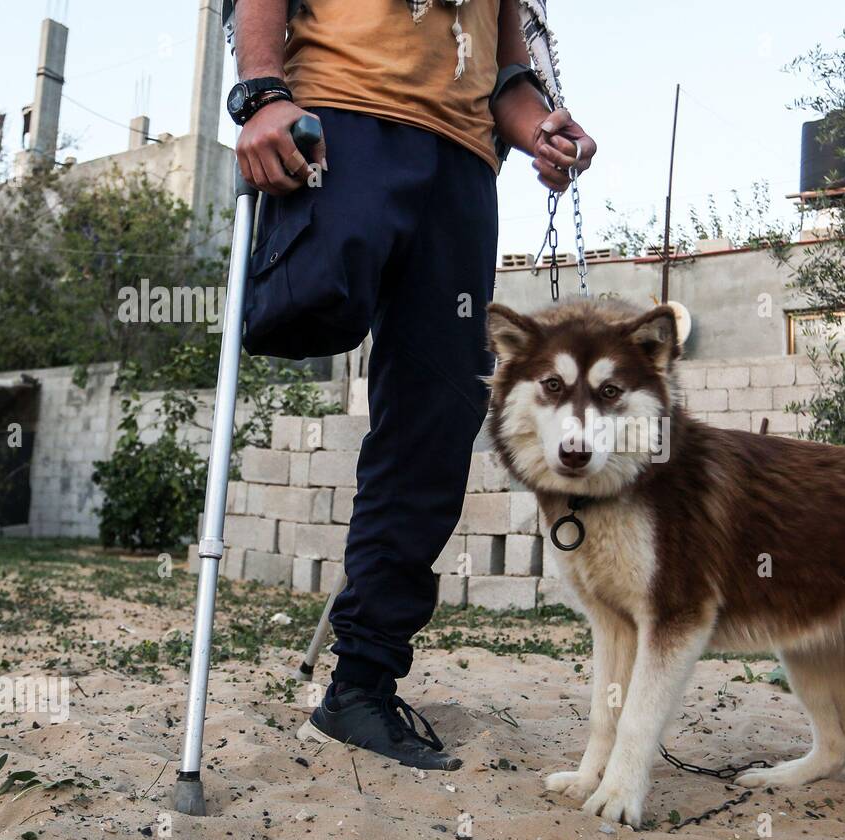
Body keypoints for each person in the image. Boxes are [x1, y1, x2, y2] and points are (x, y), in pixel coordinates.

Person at [230, 0, 596, 767]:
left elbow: (506, 76)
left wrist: (541, 129)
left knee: (437, 417)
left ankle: (360, 686)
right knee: (299, 311)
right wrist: (263, 94)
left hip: (461, 162)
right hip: (340, 121)